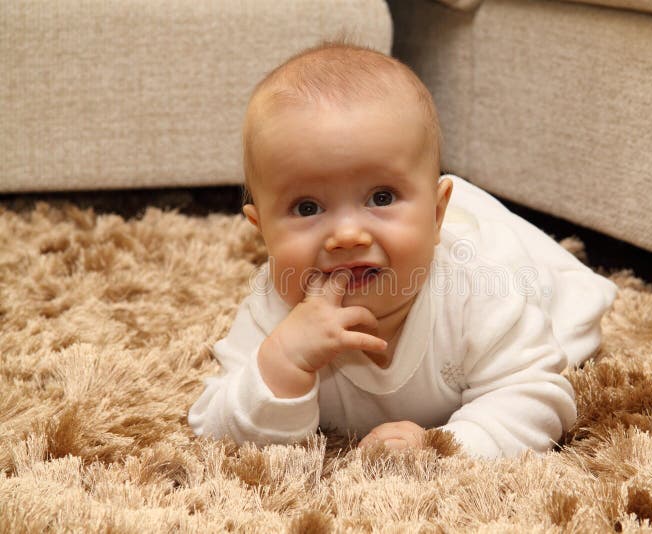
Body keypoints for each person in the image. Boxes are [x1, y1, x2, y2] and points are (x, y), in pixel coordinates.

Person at [188, 43, 617, 458]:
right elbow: (214, 428)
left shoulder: (480, 289)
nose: (348, 235)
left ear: (435, 215)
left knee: (566, 324)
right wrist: (283, 364)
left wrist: (447, 446)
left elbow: (536, 396)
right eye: (307, 207)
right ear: (262, 231)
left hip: (505, 267)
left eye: (380, 197)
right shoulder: (274, 306)